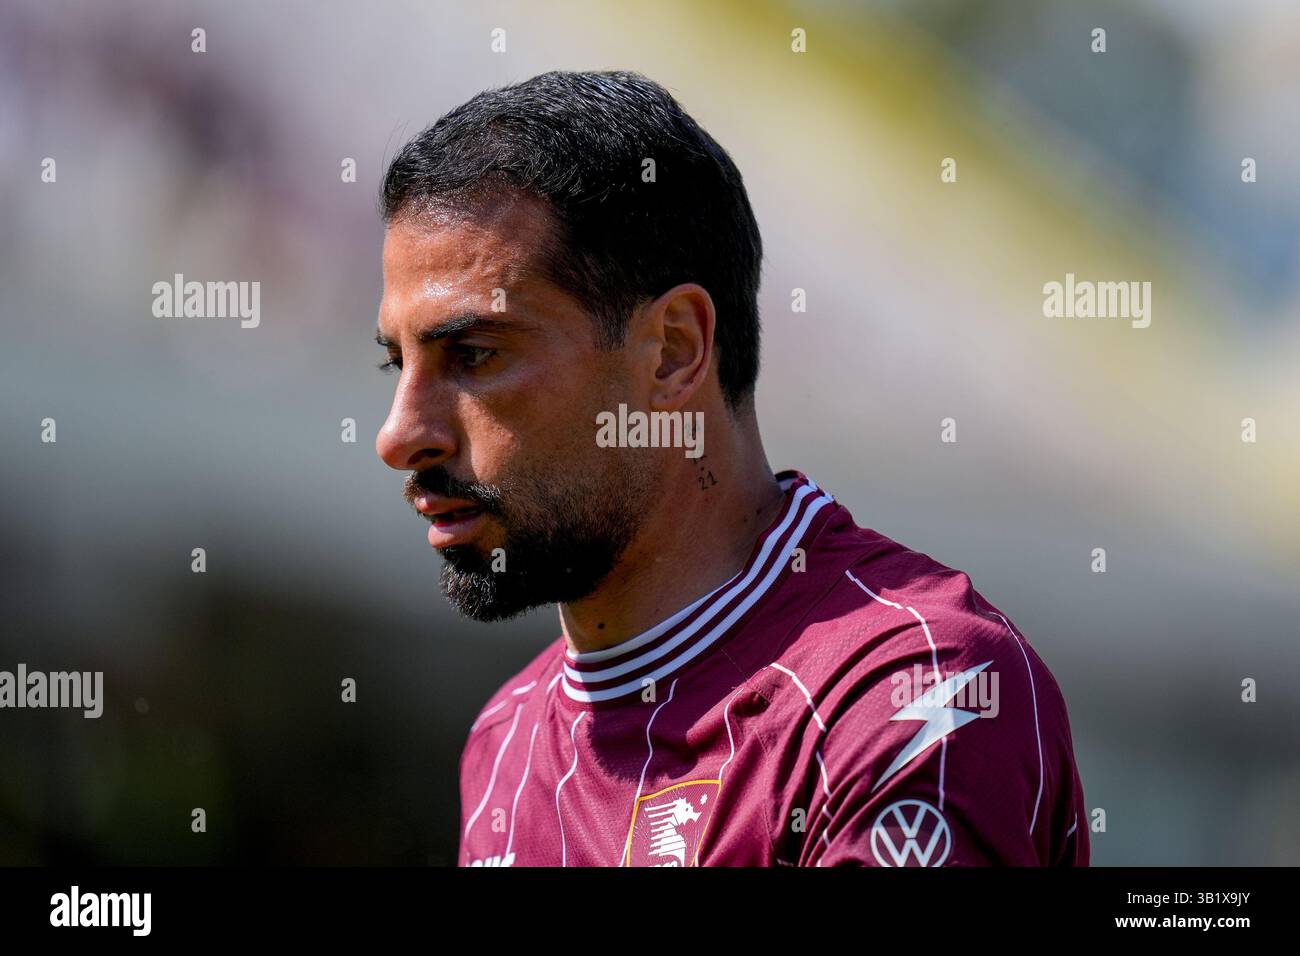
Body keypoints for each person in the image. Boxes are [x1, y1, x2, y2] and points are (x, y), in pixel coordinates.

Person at [374, 70, 1088, 866]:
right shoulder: (503, 744)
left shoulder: (915, 693)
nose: (400, 435)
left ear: (674, 350)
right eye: (395, 365)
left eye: (473, 355)